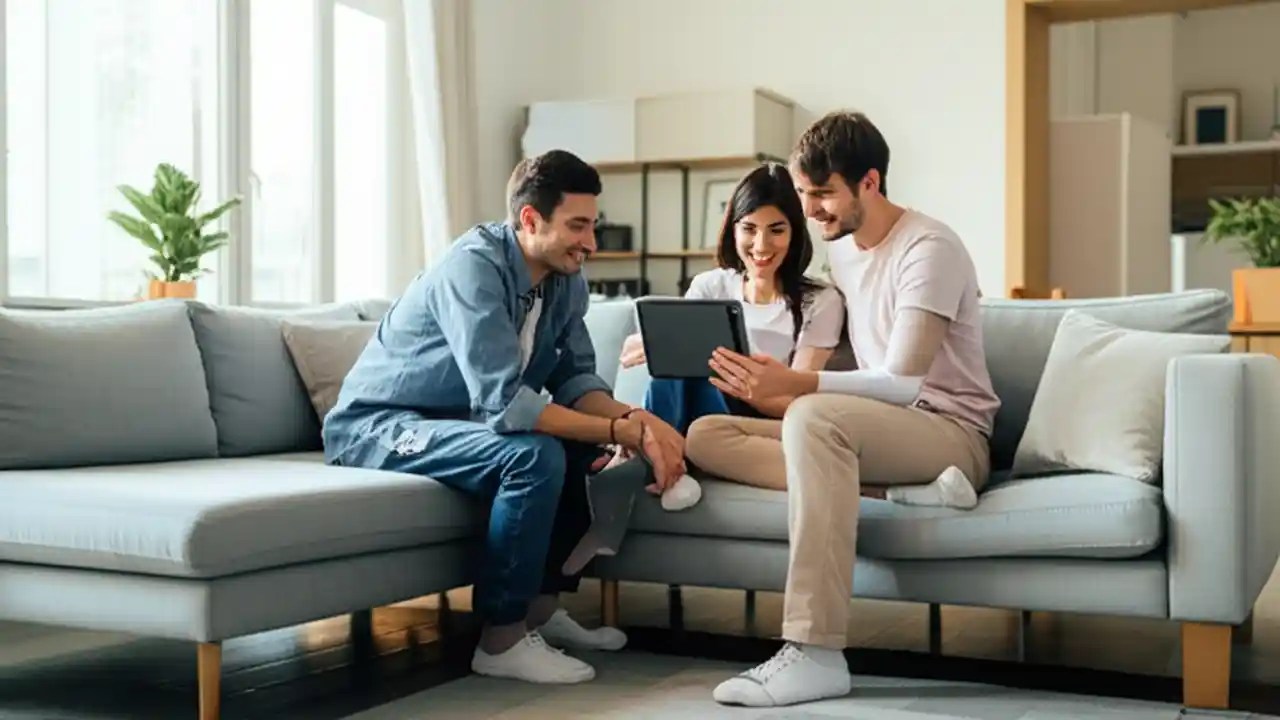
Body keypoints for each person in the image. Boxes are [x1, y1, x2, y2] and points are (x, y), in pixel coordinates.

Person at [322, 149, 686, 686]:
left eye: (593, 225)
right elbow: (507, 406)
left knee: (591, 452)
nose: (590, 243)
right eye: (578, 226)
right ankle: (501, 639)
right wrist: (617, 427)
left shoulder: (566, 279)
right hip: (381, 425)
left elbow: (576, 380)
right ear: (530, 220)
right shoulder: (471, 269)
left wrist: (638, 422)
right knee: (534, 454)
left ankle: (539, 614)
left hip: (460, 426)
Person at [695, 111, 1001, 707]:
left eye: (823, 194)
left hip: (950, 429)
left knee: (811, 415)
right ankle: (900, 492)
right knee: (706, 434)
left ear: (870, 182)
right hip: (891, 443)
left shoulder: (928, 248)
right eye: (804, 193)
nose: (811, 211)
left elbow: (905, 380)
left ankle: (814, 651)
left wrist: (797, 384)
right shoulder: (844, 253)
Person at [614, 163, 845, 509]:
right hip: (698, 410)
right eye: (749, 229)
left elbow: (797, 402)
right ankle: (661, 459)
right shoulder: (712, 285)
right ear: (733, 230)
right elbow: (649, 356)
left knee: (705, 367)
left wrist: (741, 375)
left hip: (758, 418)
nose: (761, 245)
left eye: (776, 230)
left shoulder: (820, 301)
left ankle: (659, 465)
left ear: (795, 233)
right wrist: (660, 343)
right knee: (679, 363)